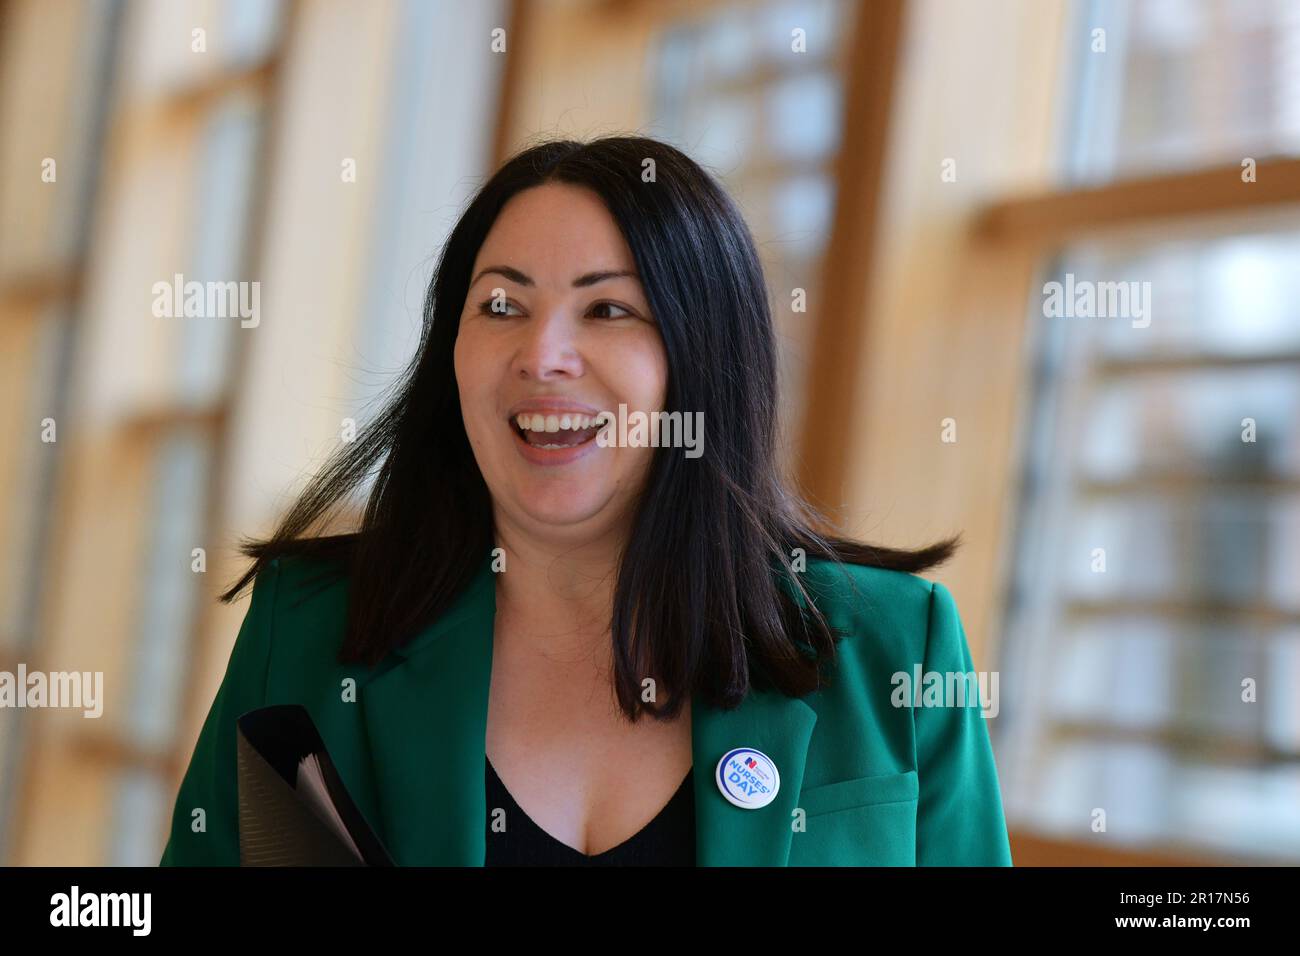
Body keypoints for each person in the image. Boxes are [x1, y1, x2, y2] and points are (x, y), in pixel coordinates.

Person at [159, 135, 1012, 866]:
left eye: (607, 309)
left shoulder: (898, 649)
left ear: (702, 358)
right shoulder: (305, 627)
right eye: (502, 304)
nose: (544, 353)